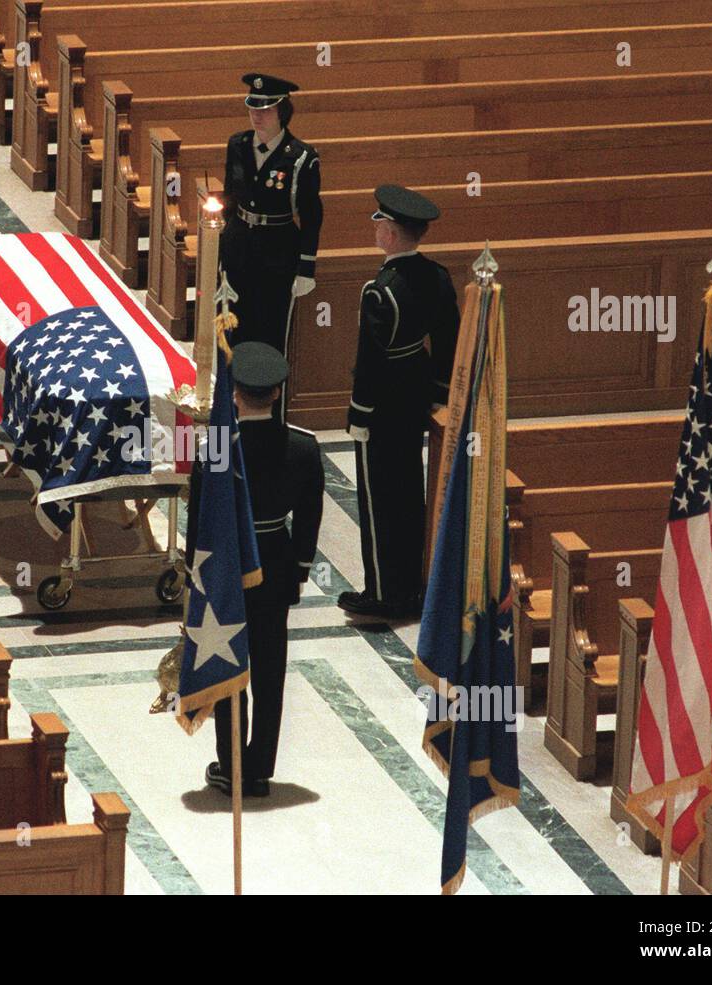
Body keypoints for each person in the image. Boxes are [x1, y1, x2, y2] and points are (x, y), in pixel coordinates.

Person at [192, 342, 325, 798]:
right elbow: (309, 518)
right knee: (271, 670)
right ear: (278, 390)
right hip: (277, 565)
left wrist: (197, 574)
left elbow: (201, 520)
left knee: (228, 661)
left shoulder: (217, 449)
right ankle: (259, 769)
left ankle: (231, 765)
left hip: (227, 566)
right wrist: (300, 569)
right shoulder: (304, 449)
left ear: (234, 394)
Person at [338, 185, 460, 621]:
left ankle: (385, 593)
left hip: (384, 408)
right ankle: (410, 586)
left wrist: (360, 413)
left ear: (390, 233)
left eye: (380, 224)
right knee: (409, 496)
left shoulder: (380, 291)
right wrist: (439, 393)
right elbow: (448, 342)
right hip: (416, 398)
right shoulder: (438, 276)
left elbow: (369, 361)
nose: (376, 230)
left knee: (379, 502)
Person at [219, 73, 323, 388]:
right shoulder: (237, 144)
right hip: (238, 249)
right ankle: (231, 409)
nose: (257, 115)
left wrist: (306, 266)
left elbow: (312, 215)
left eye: (265, 109)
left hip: (276, 254)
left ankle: (266, 411)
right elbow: (229, 196)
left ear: (282, 111)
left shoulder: (302, 157)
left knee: (269, 334)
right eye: (253, 107)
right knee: (233, 331)